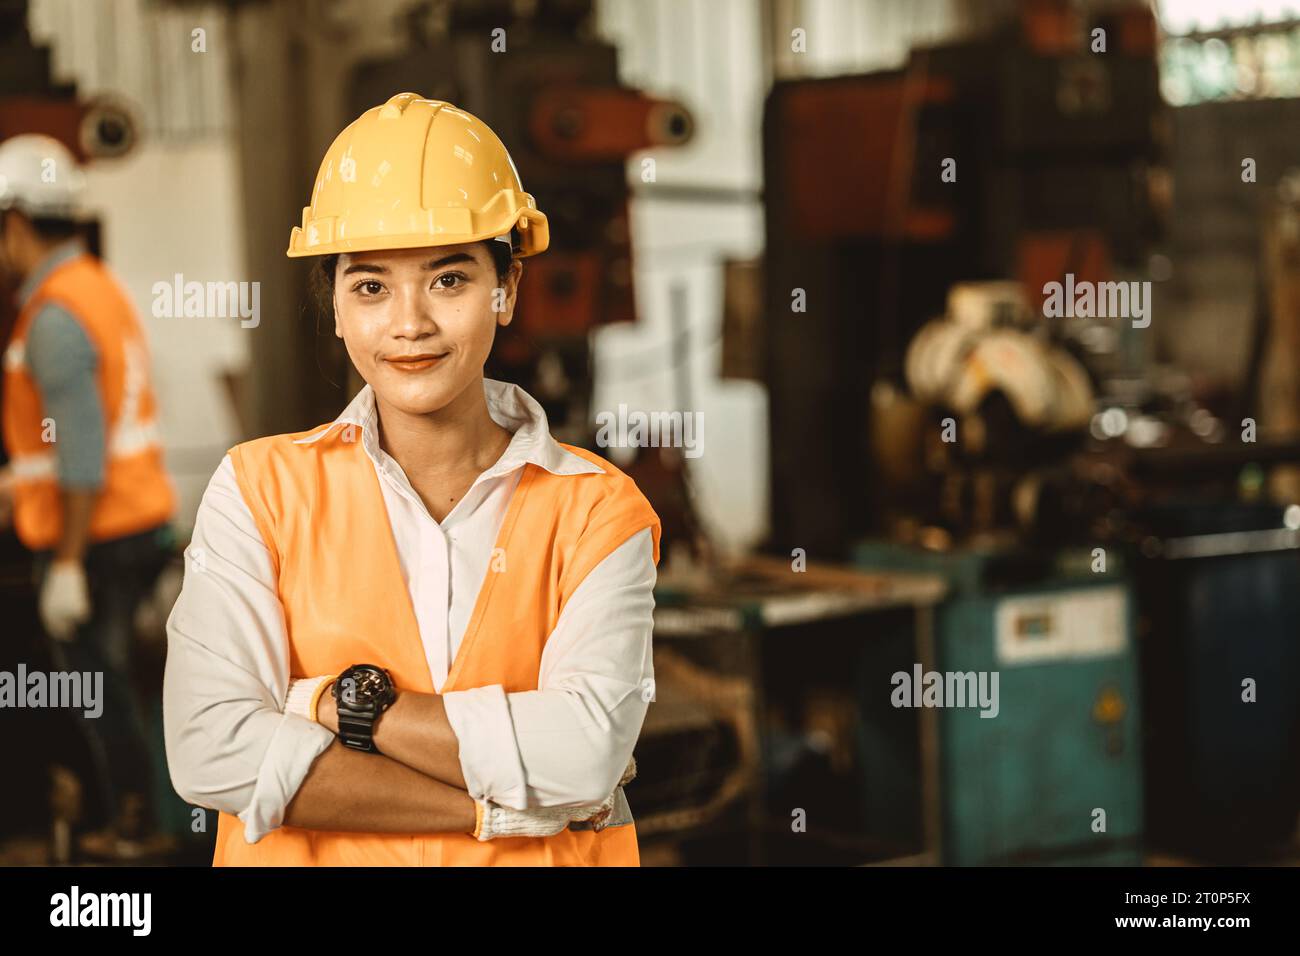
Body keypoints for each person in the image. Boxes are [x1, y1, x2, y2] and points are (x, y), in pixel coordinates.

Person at [162, 93, 662, 866]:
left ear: (508, 291)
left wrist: (326, 704)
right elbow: (211, 748)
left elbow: (582, 757)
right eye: (369, 286)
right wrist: (491, 812)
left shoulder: (598, 512)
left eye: (449, 280)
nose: (409, 324)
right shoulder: (258, 492)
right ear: (334, 306)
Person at [0, 134, 177, 859]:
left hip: (96, 539)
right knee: (122, 690)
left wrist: (67, 563)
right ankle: (140, 819)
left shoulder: (52, 314)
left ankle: (136, 827)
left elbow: (80, 452)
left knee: (97, 695)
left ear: (13, 222)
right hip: (135, 519)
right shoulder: (97, 288)